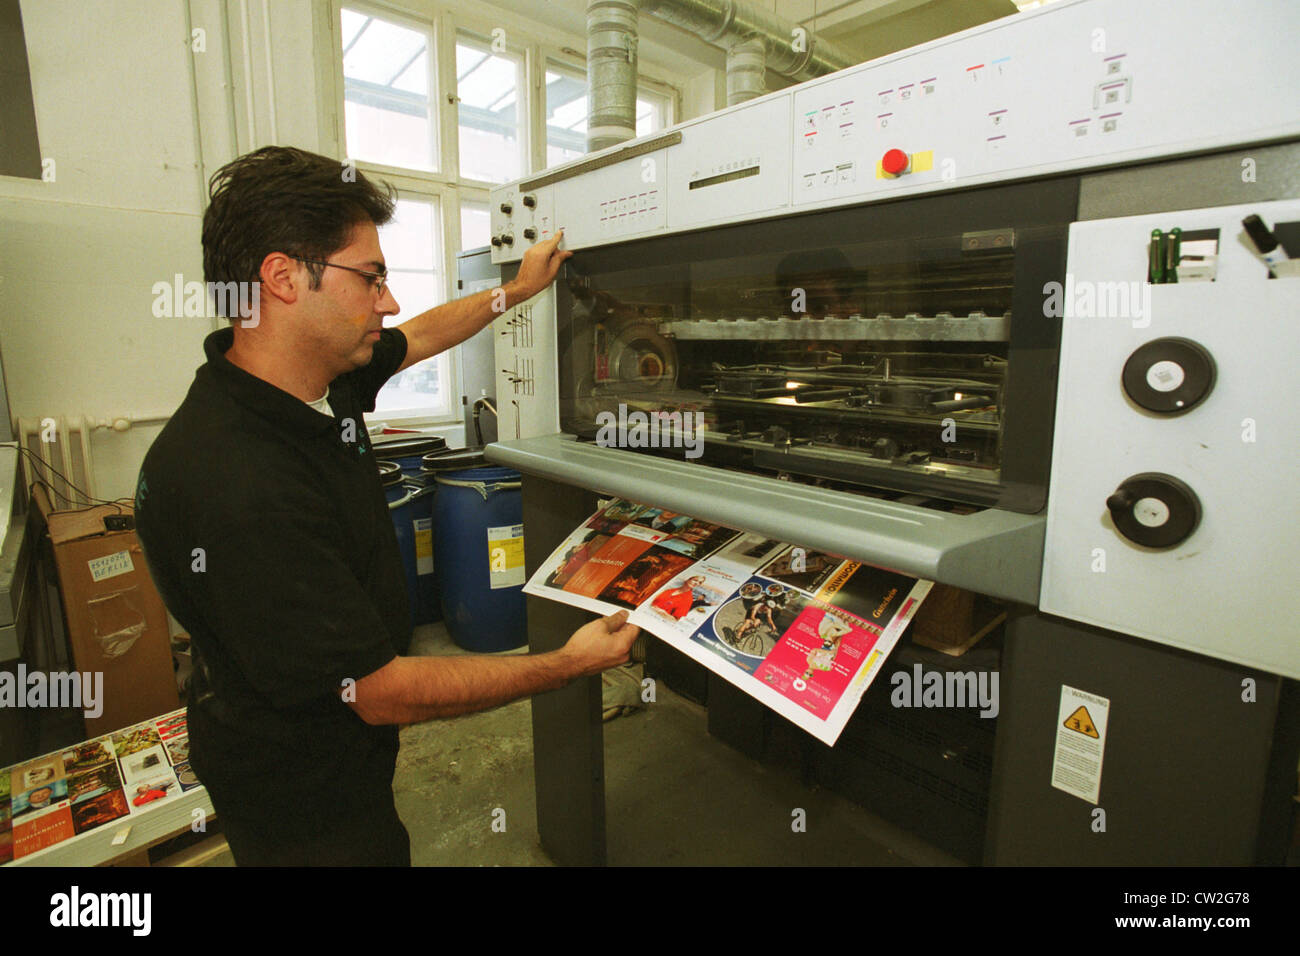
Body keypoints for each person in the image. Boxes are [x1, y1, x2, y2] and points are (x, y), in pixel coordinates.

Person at [134, 146, 639, 866]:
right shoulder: (236, 480)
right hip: (300, 799)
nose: (389, 301)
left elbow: (426, 332)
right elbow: (380, 691)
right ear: (281, 278)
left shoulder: (317, 376)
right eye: (370, 278)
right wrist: (564, 663)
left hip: (345, 758)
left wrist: (517, 291)